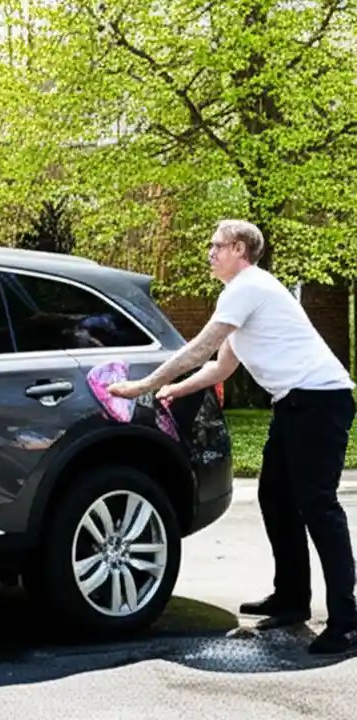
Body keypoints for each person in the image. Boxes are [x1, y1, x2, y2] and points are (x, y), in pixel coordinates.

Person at [107, 219, 357, 655]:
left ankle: (347, 620)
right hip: (296, 403)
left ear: (239, 248)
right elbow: (221, 367)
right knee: (275, 497)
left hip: (319, 401)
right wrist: (174, 389)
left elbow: (199, 349)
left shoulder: (248, 286)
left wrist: (142, 385)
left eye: (215, 245)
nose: (209, 252)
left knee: (317, 504)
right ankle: (292, 598)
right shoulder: (241, 294)